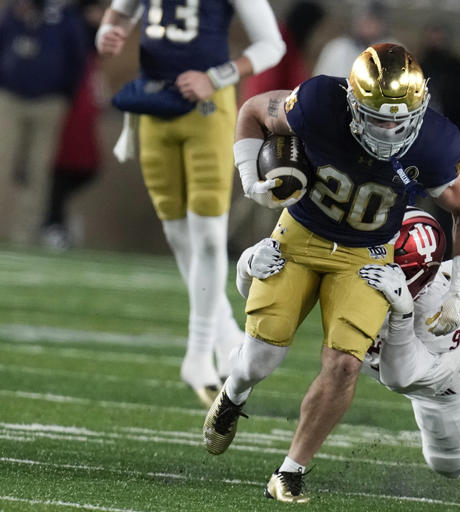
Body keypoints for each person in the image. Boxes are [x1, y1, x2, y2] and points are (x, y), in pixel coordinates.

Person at [202, 43, 460, 502]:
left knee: (345, 364)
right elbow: (254, 111)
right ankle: (233, 394)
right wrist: (250, 181)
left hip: (367, 255)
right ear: (352, 103)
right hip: (299, 235)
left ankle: (290, 470)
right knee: (261, 358)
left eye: (399, 118)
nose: (389, 130)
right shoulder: (318, 103)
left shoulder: (435, 141)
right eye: (376, 117)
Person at [234, 207, 460, 482]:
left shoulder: (428, 314)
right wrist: (248, 266)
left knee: (450, 465)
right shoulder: (384, 265)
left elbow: (399, 377)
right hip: (431, 321)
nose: (366, 262)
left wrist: (402, 314)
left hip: (446, 372)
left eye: (381, 257)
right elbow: (268, 306)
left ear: (408, 275)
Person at [95, 0, 286, 407]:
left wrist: (216, 76)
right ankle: (224, 336)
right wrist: (106, 34)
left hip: (207, 111)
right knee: (178, 234)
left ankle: (197, 352)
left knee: (210, 237)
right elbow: (118, 14)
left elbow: (272, 44)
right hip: (154, 108)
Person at [229, 0, 326, 256]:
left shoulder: (290, 45)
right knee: (272, 188)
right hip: (269, 129)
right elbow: (266, 92)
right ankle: (262, 245)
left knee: (257, 194)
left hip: (275, 127)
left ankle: (234, 241)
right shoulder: (283, 45)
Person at [0, 0, 88, 246]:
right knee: (2, 161)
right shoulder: (14, 13)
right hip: (10, 98)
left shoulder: (65, 17)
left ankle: (23, 235)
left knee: (39, 170)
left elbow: (77, 59)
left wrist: (63, 95)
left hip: (49, 101)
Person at [42, 0, 108, 250]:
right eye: (97, 11)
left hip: (82, 107)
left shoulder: (92, 46)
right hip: (68, 106)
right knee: (62, 166)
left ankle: (53, 218)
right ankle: (52, 222)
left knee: (83, 166)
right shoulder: (70, 28)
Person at [312, 0, 392, 78]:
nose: (369, 24)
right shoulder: (336, 49)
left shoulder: (393, 50)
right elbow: (319, 82)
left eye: (375, 20)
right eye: (365, 18)